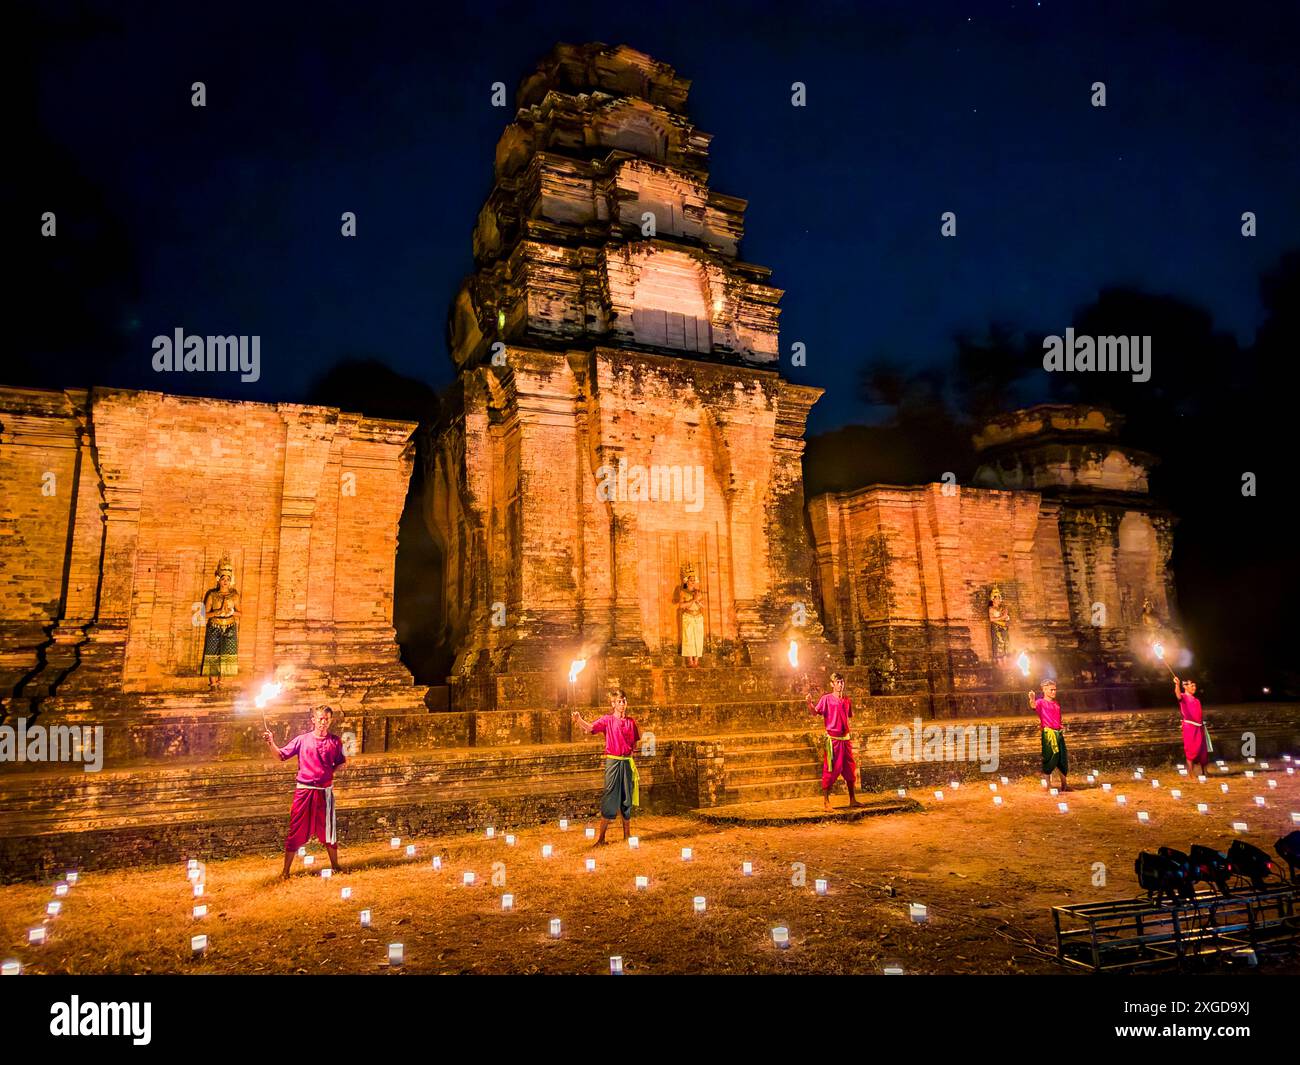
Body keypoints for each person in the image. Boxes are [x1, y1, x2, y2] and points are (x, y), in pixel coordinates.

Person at [265, 704, 346, 879]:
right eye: (320, 718)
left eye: (326, 719)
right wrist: (271, 742)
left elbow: (341, 761)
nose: (323, 722)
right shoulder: (302, 740)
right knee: (296, 829)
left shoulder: (335, 741)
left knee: (328, 830)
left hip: (325, 792)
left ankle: (335, 865)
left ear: (330, 720)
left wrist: (330, 773)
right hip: (305, 790)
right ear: (313, 720)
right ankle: (285, 871)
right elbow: (281, 756)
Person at [572, 690, 640, 844]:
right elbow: (590, 728)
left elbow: (634, 744)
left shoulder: (631, 722)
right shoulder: (607, 720)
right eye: (619, 701)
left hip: (627, 762)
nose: (622, 704)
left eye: (624, 701)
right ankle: (601, 838)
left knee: (626, 797)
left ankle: (627, 835)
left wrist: (631, 760)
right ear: (613, 704)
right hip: (613, 761)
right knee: (610, 796)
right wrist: (579, 720)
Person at [807, 671, 862, 811]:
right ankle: (826, 801)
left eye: (842, 682)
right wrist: (809, 703)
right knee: (831, 769)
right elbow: (815, 713)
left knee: (850, 769)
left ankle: (852, 799)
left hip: (845, 740)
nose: (840, 684)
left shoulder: (847, 700)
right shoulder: (826, 699)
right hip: (833, 741)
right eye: (837, 682)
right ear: (832, 684)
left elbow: (849, 715)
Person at [201, 556, 240, 688]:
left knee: (226, 655)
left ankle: (221, 682)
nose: (225, 582)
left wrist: (231, 612)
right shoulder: (212, 595)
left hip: (229, 627)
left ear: (231, 581)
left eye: (228, 579)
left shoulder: (234, 595)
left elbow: (241, 613)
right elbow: (203, 614)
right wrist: (216, 613)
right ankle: (212, 683)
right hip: (215, 627)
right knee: (212, 654)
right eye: (223, 579)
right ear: (219, 580)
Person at [1028, 678, 1068, 791]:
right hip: (1048, 734)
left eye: (1055, 690)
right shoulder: (1041, 702)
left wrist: (1061, 726)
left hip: (1058, 733)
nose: (1054, 692)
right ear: (1044, 690)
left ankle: (1064, 784)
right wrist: (1032, 698)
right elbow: (1033, 706)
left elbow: (1058, 718)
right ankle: (1048, 786)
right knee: (1050, 758)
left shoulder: (1056, 704)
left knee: (1062, 758)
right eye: (1051, 690)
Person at [1173, 675, 1211, 772]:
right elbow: (1177, 694)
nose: (1194, 688)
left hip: (1199, 728)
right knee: (1190, 750)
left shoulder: (1197, 700)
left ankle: (1205, 772)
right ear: (1185, 686)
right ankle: (1191, 775)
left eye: (1195, 686)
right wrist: (1177, 684)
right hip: (1189, 727)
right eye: (1191, 685)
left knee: (1203, 751)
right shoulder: (1183, 697)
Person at [678, 567, 705, 667]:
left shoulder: (698, 592)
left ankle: (696, 661)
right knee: (688, 638)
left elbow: (703, 605)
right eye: (691, 580)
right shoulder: (683, 592)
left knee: (698, 638)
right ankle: (690, 661)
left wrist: (698, 600)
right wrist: (693, 600)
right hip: (688, 616)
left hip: (698, 616)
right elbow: (681, 606)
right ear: (687, 581)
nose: (693, 582)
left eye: (694, 580)